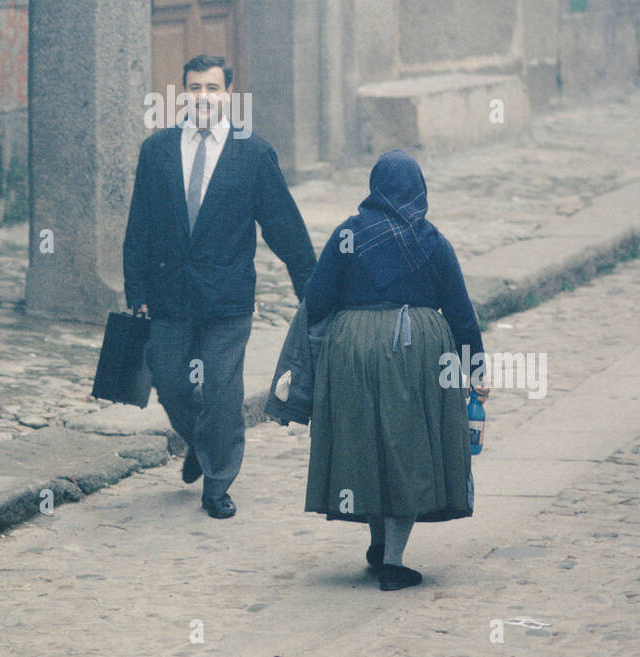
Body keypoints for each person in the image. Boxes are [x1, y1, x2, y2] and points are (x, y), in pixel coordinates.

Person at [123, 54, 316, 519]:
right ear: (182, 93)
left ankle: (218, 481)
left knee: (221, 390)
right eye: (194, 88)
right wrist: (138, 291)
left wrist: (311, 288)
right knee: (168, 381)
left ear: (229, 93)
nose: (203, 97)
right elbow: (139, 227)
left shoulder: (253, 153)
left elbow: (283, 226)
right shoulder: (158, 151)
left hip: (227, 298)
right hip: (170, 295)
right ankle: (199, 442)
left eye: (212, 88)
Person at [303, 149, 490, 590]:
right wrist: (476, 370)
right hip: (415, 353)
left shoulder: (347, 235)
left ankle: (377, 542)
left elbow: (316, 300)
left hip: (352, 350)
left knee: (365, 443)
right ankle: (393, 559)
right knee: (407, 448)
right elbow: (462, 314)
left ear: (374, 189)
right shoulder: (432, 241)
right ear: (419, 192)